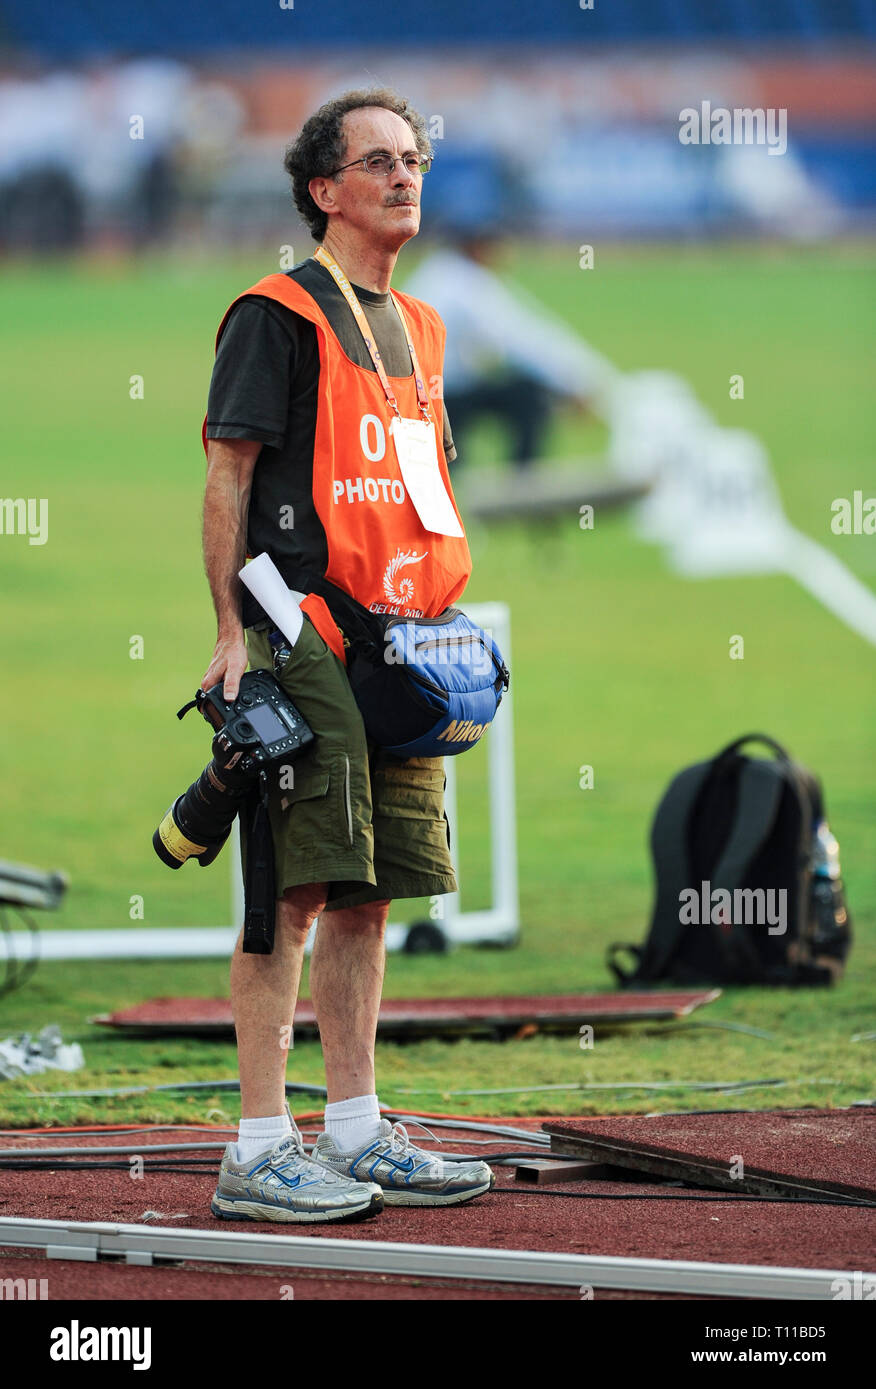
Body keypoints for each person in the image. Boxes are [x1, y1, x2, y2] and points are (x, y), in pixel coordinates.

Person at [201, 88, 494, 1223]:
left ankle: (359, 1128)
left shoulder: (421, 326)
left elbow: (425, 486)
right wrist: (233, 634)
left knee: (372, 893)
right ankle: (260, 1145)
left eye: (414, 157)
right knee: (294, 889)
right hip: (304, 632)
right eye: (377, 160)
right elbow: (228, 475)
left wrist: (438, 617)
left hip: (404, 647)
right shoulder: (274, 314)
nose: (404, 175)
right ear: (323, 189)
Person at [403, 227, 616, 467]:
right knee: (529, 397)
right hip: (440, 397)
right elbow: (523, 342)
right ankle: (521, 484)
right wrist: (579, 383)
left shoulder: (433, 273)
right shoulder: (467, 284)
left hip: (419, 394)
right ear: (478, 246)